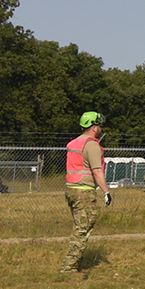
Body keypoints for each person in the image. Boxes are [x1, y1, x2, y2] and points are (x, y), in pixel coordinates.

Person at [59, 112, 110, 276]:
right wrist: (106, 191)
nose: (101, 129)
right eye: (100, 126)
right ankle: (69, 266)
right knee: (83, 228)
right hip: (84, 191)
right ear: (94, 127)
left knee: (79, 226)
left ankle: (75, 263)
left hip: (71, 189)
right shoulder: (92, 145)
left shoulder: (75, 143)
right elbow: (97, 171)